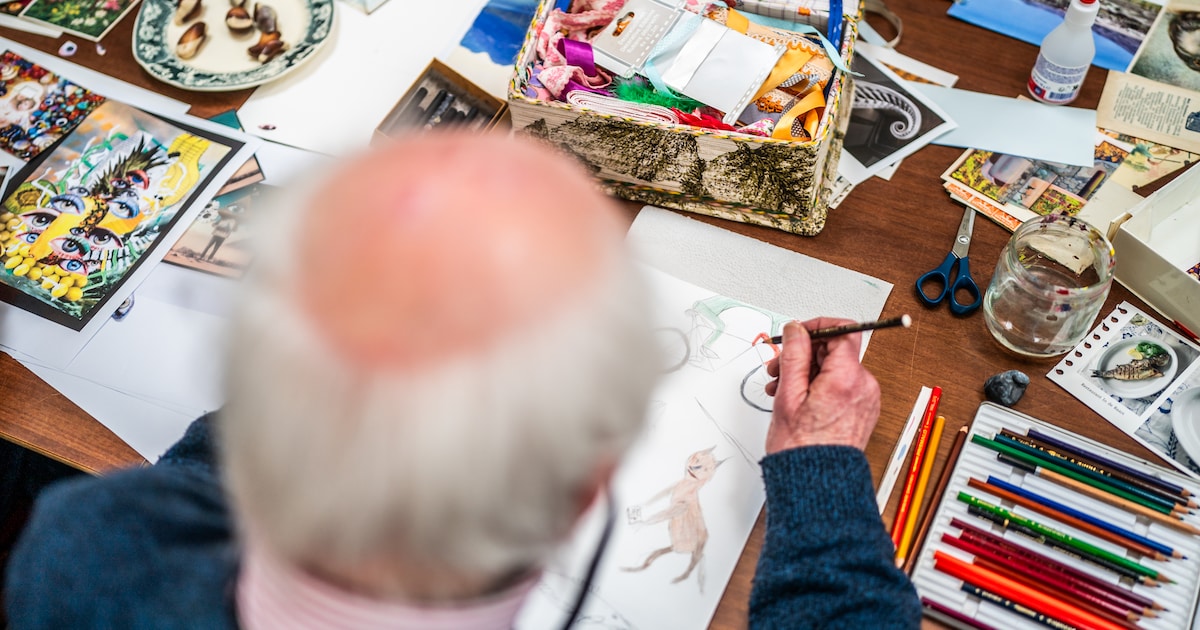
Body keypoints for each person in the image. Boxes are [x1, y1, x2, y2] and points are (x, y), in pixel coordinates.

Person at [4, 132, 919, 628]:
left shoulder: (87, 553)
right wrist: (821, 465)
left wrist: (333, 366)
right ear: (590, 488)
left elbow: (201, 485)